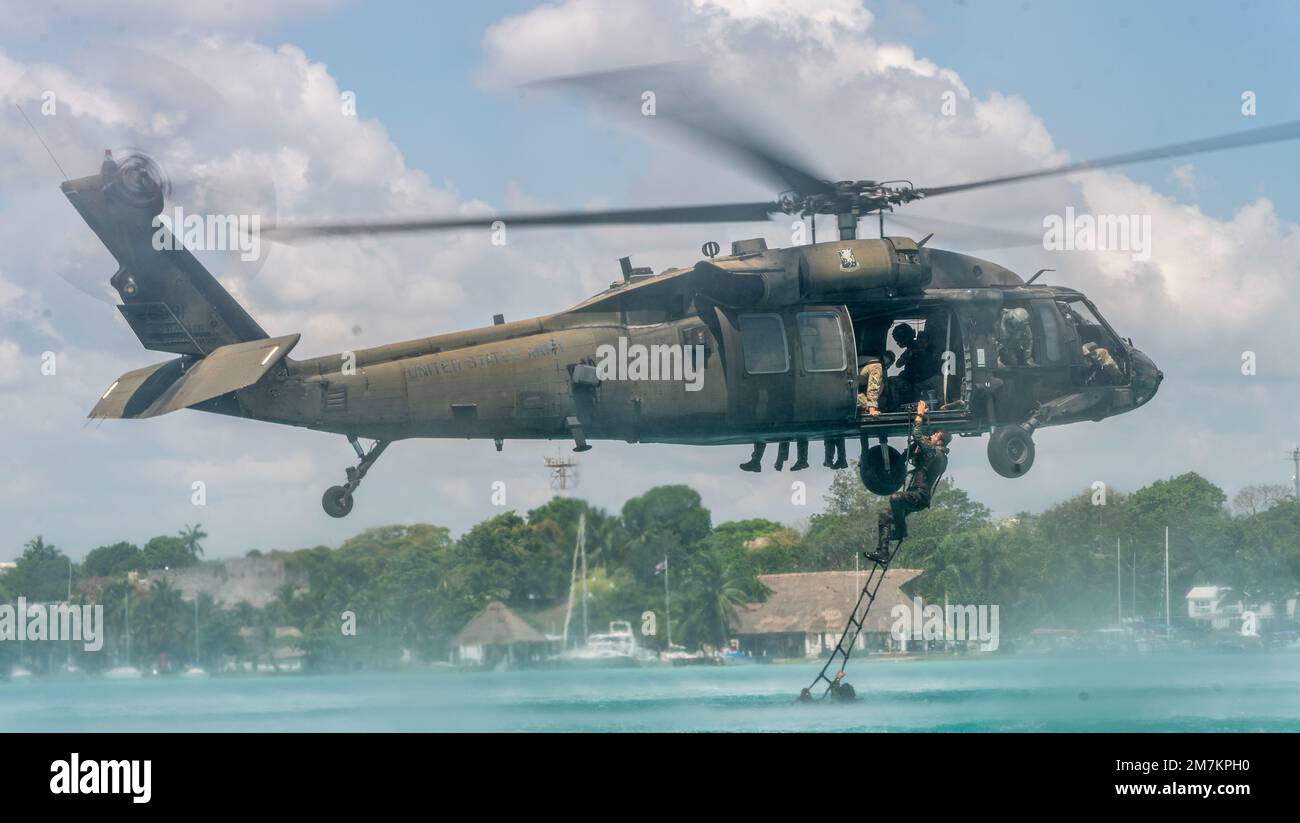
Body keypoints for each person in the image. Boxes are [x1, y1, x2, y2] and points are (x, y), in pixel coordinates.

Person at [868, 400, 951, 562]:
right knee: (885, 515)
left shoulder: (937, 454)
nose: (932, 436)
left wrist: (920, 414)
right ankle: (882, 552)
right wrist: (915, 447)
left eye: (935, 435)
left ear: (940, 441)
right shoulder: (932, 453)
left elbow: (917, 434)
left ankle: (901, 530)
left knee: (895, 498)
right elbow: (908, 457)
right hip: (913, 496)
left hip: (919, 497)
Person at [857, 350, 896, 417]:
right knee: (864, 403)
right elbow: (874, 387)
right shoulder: (877, 366)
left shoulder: (871, 360)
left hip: (850, 386)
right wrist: (872, 408)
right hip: (850, 394)